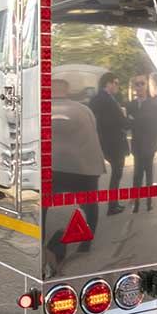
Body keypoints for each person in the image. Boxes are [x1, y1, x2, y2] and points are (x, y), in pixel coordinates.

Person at [49, 78, 105, 264]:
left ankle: (42, 238)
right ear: (67, 90)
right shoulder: (83, 109)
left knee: (43, 204)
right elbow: (95, 131)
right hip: (85, 166)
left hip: (54, 168)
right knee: (90, 204)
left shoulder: (43, 109)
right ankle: (86, 243)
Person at [89, 72, 129, 215]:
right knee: (117, 174)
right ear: (109, 83)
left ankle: (91, 206)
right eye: (116, 83)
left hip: (101, 142)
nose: (117, 87)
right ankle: (112, 206)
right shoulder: (109, 100)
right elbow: (120, 122)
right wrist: (126, 117)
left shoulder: (95, 99)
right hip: (114, 143)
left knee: (95, 177)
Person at [126, 74, 157, 212]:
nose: (139, 87)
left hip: (149, 146)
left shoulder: (153, 103)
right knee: (137, 175)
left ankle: (149, 203)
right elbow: (127, 124)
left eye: (142, 83)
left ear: (147, 86)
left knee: (149, 175)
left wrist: (155, 145)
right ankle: (136, 204)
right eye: (137, 84)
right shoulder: (130, 105)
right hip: (137, 146)